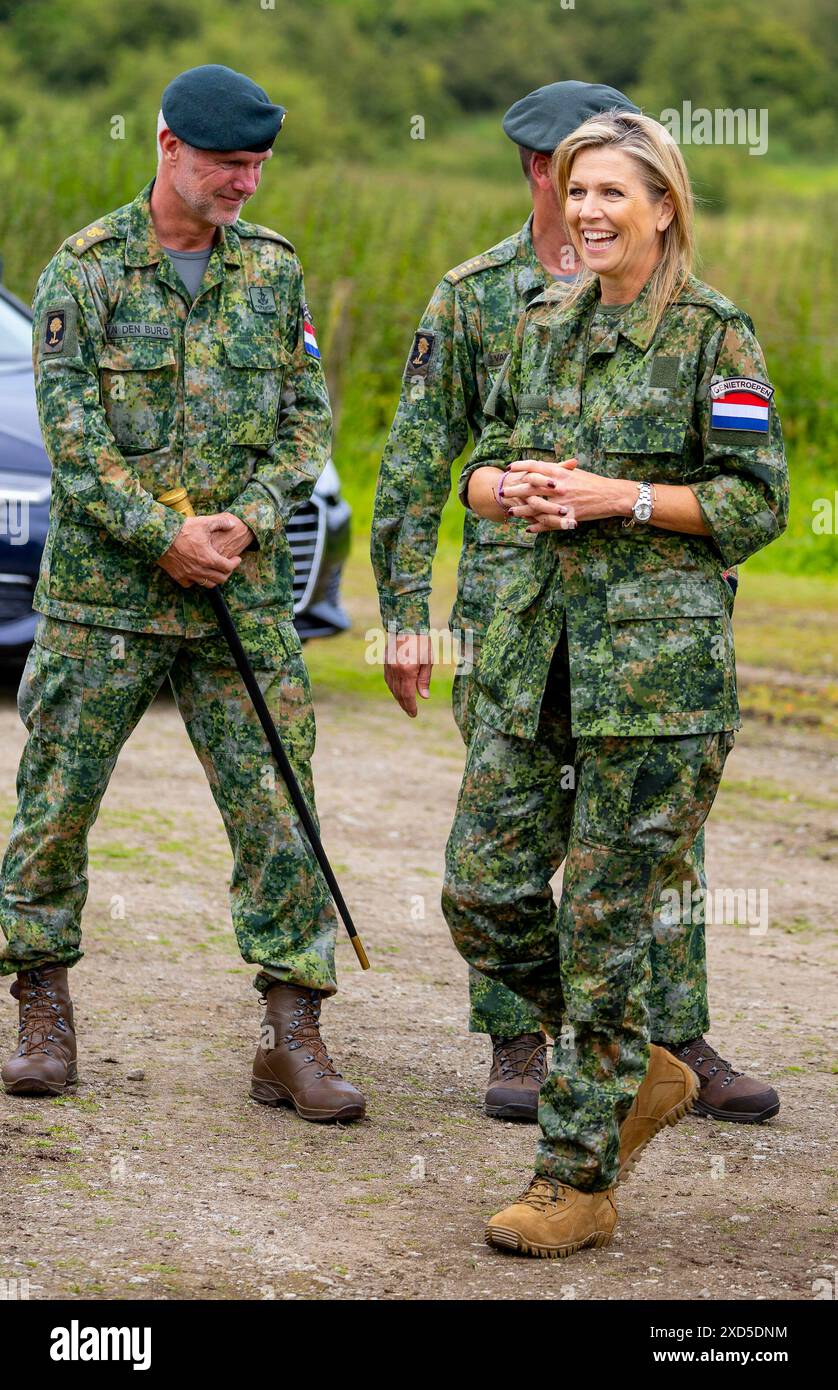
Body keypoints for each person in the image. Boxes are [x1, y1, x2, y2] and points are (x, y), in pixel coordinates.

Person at [372, 82, 779, 1126]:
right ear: (534, 176)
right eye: (571, 180)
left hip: (647, 640)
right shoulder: (493, 303)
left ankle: (661, 1038)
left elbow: (754, 493)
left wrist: (625, 500)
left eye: (611, 184)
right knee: (497, 863)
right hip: (518, 624)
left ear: (659, 200)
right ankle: (529, 1029)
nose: (587, 205)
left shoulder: (706, 327)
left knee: (648, 855)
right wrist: (420, 590)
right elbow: (431, 463)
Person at [0, 65, 365, 1124]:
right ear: (165, 146)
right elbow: (72, 439)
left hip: (236, 606)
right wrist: (163, 535)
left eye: (255, 165)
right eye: (223, 164)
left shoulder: (273, 272)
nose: (243, 183)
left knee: (278, 812)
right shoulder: (86, 268)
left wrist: (244, 519)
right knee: (56, 810)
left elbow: (307, 421)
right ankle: (41, 1009)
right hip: (103, 602)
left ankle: (291, 1030)